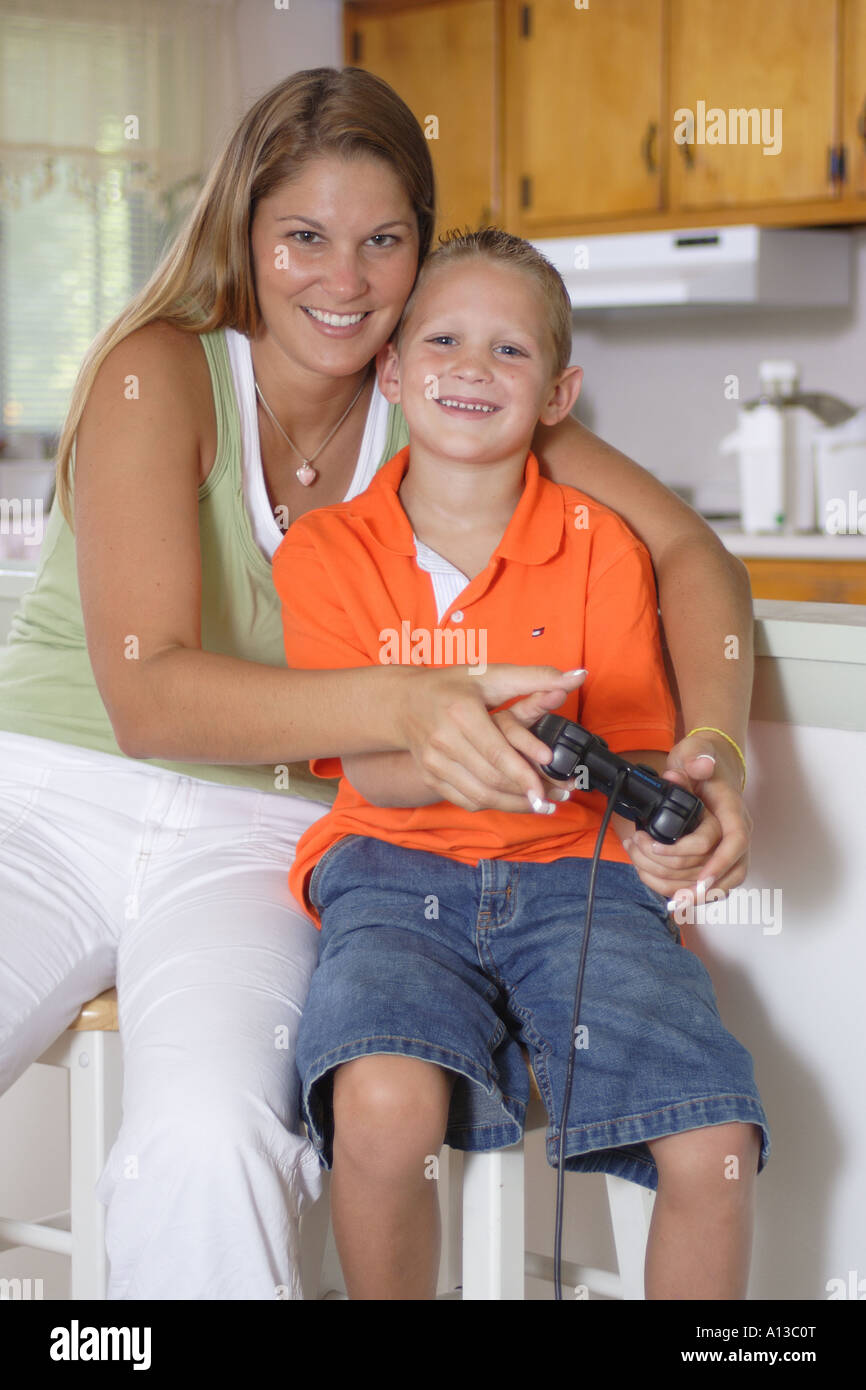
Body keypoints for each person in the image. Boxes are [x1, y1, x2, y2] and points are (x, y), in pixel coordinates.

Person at [0, 68, 752, 1301]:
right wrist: (414, 701)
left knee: (215, 1139)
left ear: (421, 250)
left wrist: (718, 747)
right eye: (303, 237)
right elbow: (150, 700)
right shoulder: (161, 370)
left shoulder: (448, 394)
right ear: (245, 234)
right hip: (52, 794)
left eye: (382, 242)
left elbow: (688, 551)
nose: (343, 282)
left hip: (259, 835)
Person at [276, 228, 770, 1302]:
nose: (472, 367)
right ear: (391, 372)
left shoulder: (604, 548)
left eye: (509, 350)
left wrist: (672, 808)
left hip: (579, 880)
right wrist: (477, 748)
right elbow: (376, 774)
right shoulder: (325, 553)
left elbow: (638, 752)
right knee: (381, 1106)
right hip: (391, 873)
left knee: (715, 1141)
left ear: (558, 395)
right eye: (443, 341)